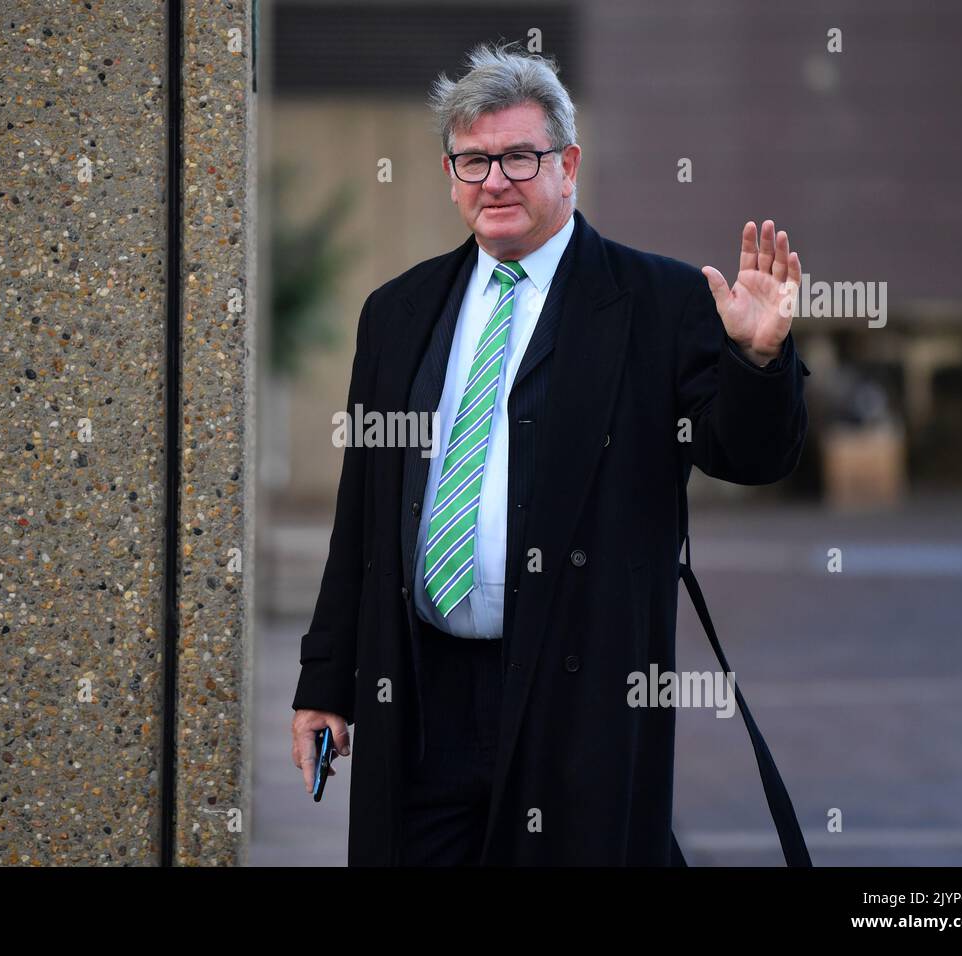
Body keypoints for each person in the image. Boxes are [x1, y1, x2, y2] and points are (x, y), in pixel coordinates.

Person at [290, 39, 809, 865]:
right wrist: (326, 680)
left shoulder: (660, 301)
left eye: (519, 158)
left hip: (579, 696)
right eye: (472, 161)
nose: (494, 180)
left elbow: (752, 457)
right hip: (423, 698)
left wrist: (756, 359)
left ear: (568, 165)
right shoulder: (398, 312)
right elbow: (361, 513)